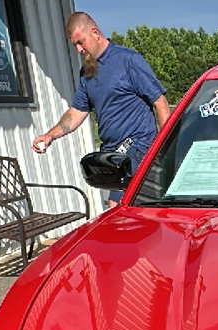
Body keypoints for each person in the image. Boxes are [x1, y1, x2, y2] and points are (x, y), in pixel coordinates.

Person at [33, 11, 169, 206]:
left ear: (95, 33)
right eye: (75, 45)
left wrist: (162, 150)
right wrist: (50, 135)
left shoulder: (127, 60)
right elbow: (76, 111)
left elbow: (160, 102)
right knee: (127, 216)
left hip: (139, 147)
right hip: (112, 155)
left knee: (117, 208)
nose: (79, 49)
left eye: (81, 42)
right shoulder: (87, 73)